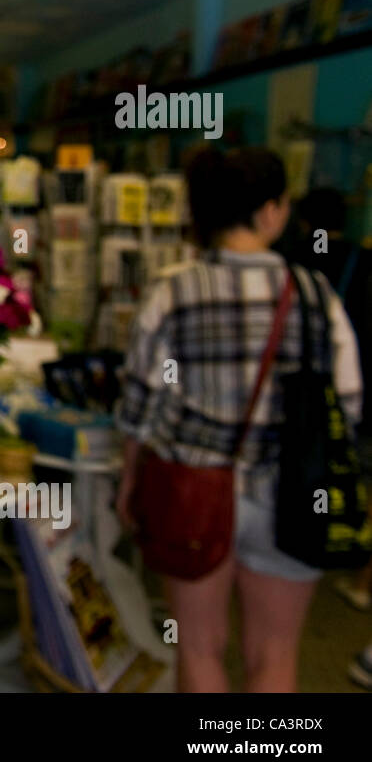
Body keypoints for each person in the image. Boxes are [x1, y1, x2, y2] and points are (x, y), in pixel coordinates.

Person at [116, 146, 362, 692]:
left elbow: (141, 403)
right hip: (292, 494)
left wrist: (131, 480)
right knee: (274, 654)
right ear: (274, 210)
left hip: (192, 489)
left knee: (200, 649)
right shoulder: (317, 295)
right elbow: (347, 401)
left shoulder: (173, 290)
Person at [283, 188, 372, 614]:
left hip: (308, 390)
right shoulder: (362, 258)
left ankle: (303, 540)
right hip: (358, 387)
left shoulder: (299, 260)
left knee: (303, 468)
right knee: (354, 473)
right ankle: (355, 559)